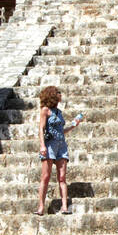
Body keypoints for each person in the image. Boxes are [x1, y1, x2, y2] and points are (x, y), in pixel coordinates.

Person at [36, 85, 83, 216]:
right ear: (52, 95)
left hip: (61, 145)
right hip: (50, 144)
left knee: (62, 177)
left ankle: (64, 206)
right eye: (58, 93)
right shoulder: (45, 110)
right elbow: (41, 128)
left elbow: (61, 132)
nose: (60, 95)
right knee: (45, 177)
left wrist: (73, 125)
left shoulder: (59, 112)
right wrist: (42, 146)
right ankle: (41, 206)